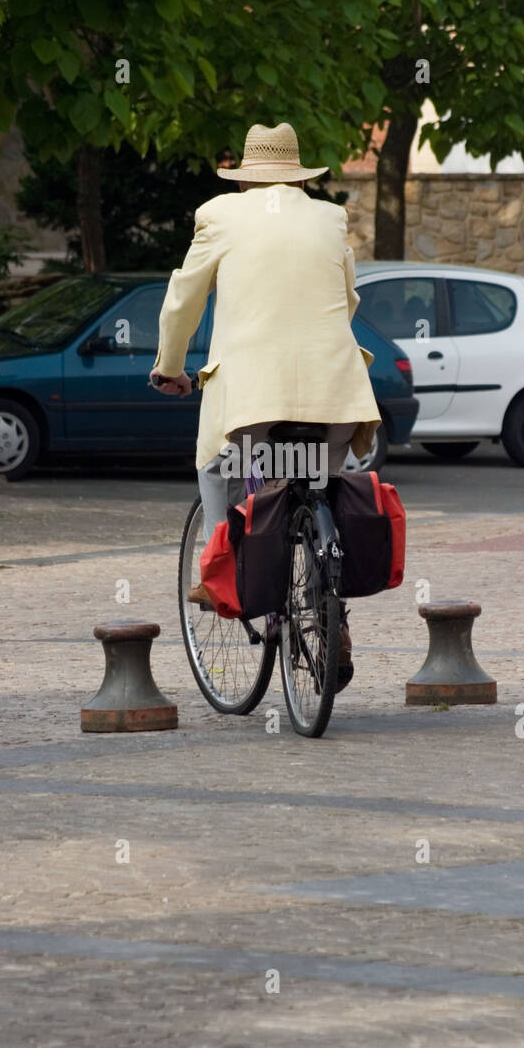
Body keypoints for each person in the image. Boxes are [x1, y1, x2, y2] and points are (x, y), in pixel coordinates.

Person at [151, 121, 381, 684]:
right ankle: (333, 608)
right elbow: (346, 297)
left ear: (245, 177)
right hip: (336, 388)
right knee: (317, 483)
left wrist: (171, 367)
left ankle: (217, 569)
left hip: (253, 394)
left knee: (216, 466)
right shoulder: (330, 217)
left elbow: (183, 299)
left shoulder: (219, 215)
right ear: (300, 175)